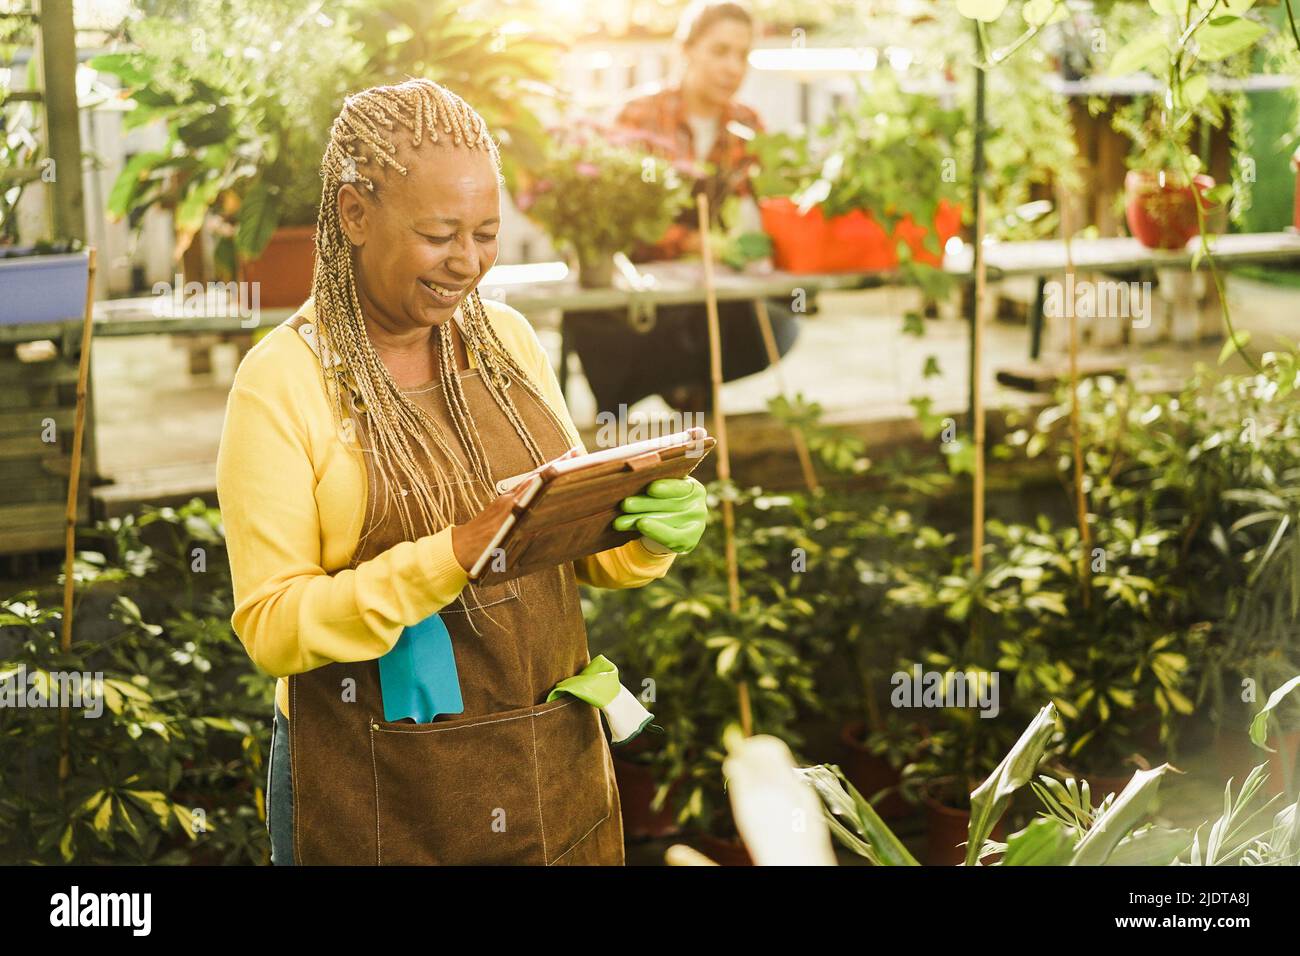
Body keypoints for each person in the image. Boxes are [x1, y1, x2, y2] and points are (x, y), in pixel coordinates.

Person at [216, 78, 709, 866]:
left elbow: (569, 549)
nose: (469, 262)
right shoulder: (283, 382)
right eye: (441, 233)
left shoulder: (507, 342)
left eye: (486, 233)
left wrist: (642, 531)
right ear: (353, 214)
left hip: (551, 761)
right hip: (379, 791)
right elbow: (274, 628)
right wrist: (450, 555)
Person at [565, 0, 800, 415]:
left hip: (713, 292)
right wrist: (690, 240)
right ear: (686, 50)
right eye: (719, 51)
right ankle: (674, 390)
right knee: (609, 329)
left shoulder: (747, 126)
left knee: (781, 329)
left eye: (742, 55)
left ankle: (685, 386)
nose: (732, 67)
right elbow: (610, 222)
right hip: (641, 293)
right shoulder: (638, 115)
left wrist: (748, 242)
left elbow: (765, 207)